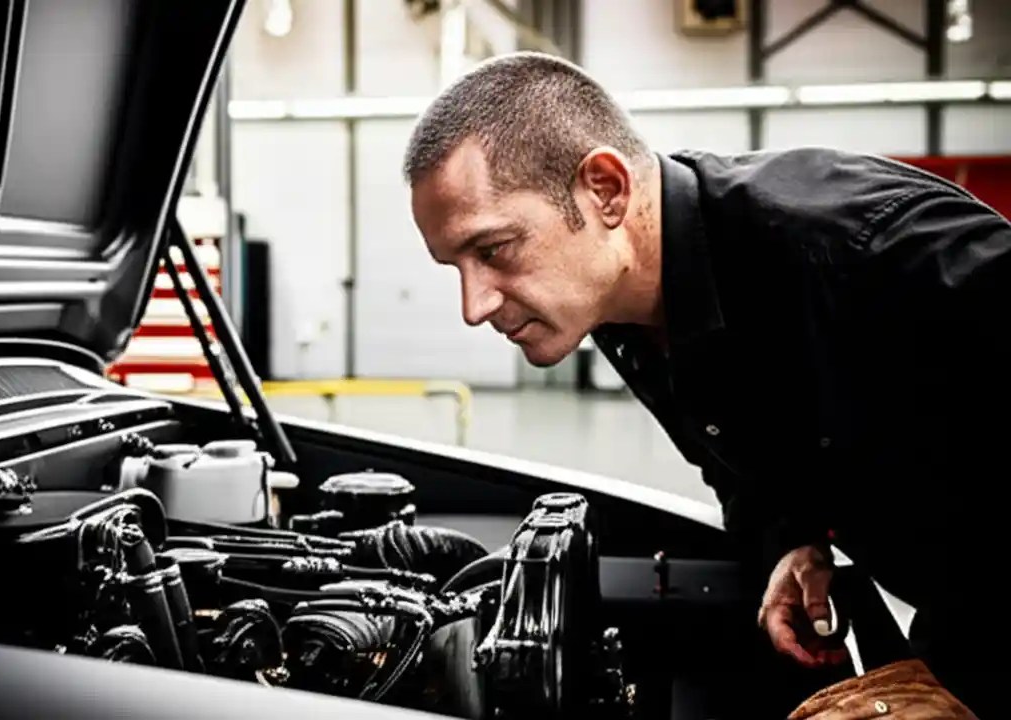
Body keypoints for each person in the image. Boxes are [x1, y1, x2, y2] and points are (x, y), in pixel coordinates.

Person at [402, 51, 1010, 717]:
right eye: (454, 265)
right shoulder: (621, 308)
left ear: (604, 189)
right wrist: (790, 542)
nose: (474, 305)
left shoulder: (872, 254)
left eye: (493, 251)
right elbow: (743, 466)